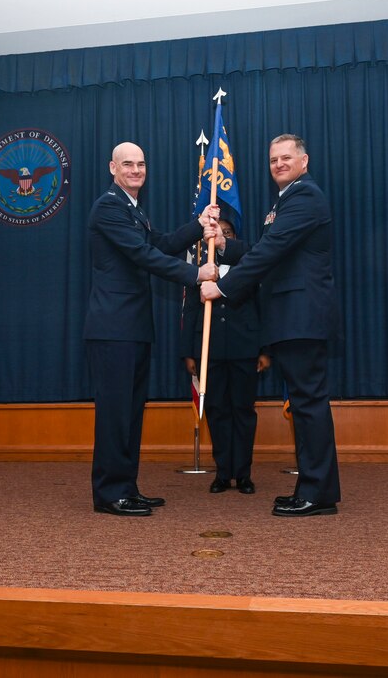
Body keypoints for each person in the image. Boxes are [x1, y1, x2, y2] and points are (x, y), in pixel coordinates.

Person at [200, 134, 341, 517]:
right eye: (273, 159)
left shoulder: (305, 197)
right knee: (305, 403)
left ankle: (318, 493)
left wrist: (222, 288)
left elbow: (269, 251)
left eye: (286, 158)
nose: (278, 164)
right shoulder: (287, 199)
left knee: (308, 404)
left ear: (304, 161)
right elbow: (266, 247)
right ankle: (313, 487)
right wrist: (223, 245)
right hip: (292, 317)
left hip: (302, 315)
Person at [84, 141, 219, 517]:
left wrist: (199, 224)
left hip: (133, 328)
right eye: (128, 164)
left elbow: (159, 242)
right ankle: (110, 493)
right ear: (112, 168)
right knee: (115, 414)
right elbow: (144, 255)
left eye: (141, 164)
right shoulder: (109, 207)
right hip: (113, 329)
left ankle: (126, 487)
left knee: (130, 413)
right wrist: (196, 274)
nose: (136, 170)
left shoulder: (133, 210)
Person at [181, 214, 269, 495]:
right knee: (217, 411)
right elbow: (191, 311)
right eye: (218, 231)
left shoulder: (249, 262)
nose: (223, 236)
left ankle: (243, 474)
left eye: (228, 232)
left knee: (243, 411)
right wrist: (189, 351)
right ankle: (223, 473)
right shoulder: (202, 267)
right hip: (211, 349)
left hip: (245, 348)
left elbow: (261, 306)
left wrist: (264, 349)